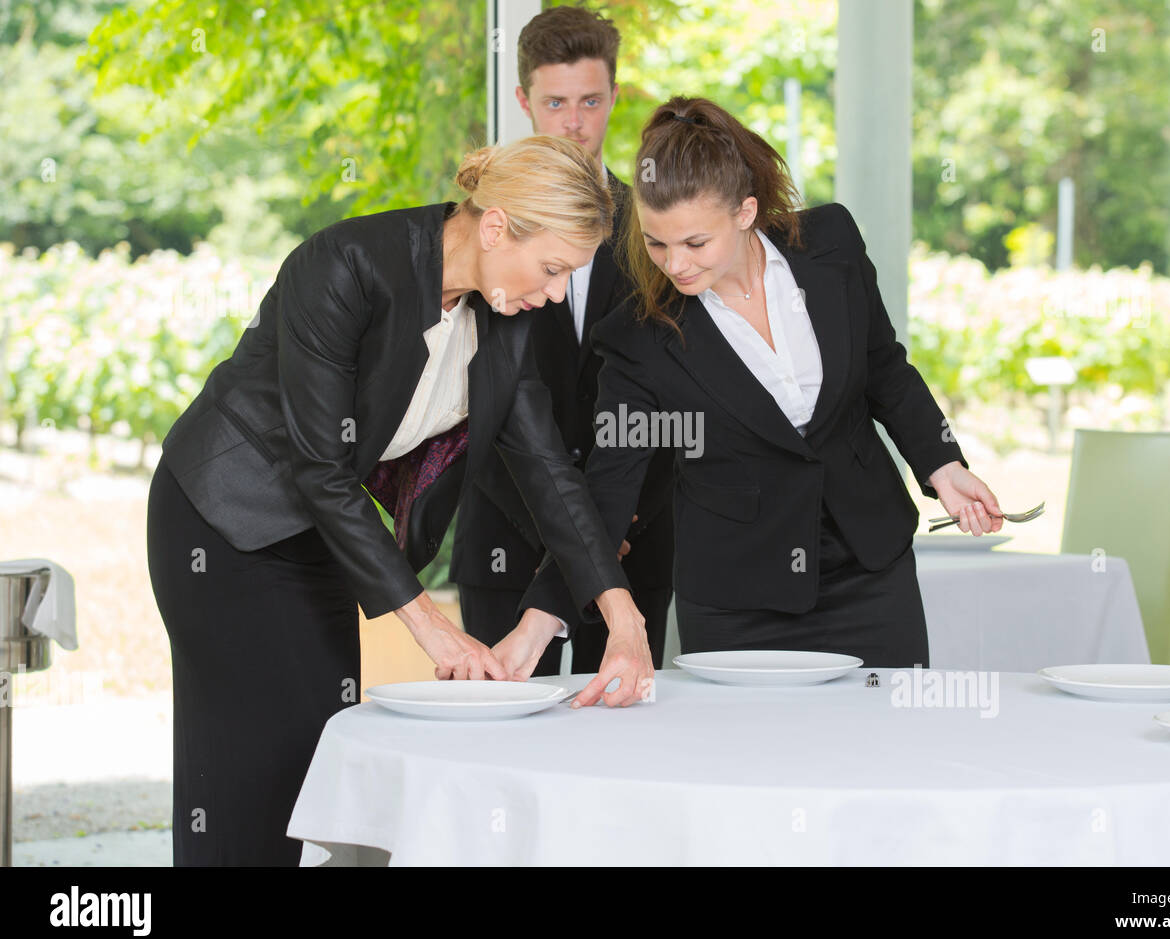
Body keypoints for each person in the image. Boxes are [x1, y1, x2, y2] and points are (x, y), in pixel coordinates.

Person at [146, 135, 653, 867]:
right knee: (244, 768)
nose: (552, 294)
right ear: (496, 225)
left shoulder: (507, 316)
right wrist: (433, 628)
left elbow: (549, 472)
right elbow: (320, 466)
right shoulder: (344, 266)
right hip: (222, 522)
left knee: (312, 756)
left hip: (318, 535)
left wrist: (622, 616)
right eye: (552, 269)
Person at [509, 97, 1005, 668]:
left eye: (695, 242)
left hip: (870, 574)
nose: (675, 264)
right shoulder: (637, 338)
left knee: (885, 749)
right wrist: (537, 623)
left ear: (745, 212)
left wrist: (942, 465)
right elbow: (605, 491)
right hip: (735, 603)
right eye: (656, 242)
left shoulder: (832, 243)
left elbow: (885, 367)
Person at [453, 4, 674, 679]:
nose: (574, 122)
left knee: (625, 747)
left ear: (615, 97)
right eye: (555, 103)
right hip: (507, 539)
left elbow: (668, 391)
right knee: (510, 751)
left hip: (637, 537)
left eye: (590, 101)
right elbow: (476, 402)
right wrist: (566, 535)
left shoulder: (659, 230)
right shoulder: (482, 229)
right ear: (524, 101)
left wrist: (614, 523)